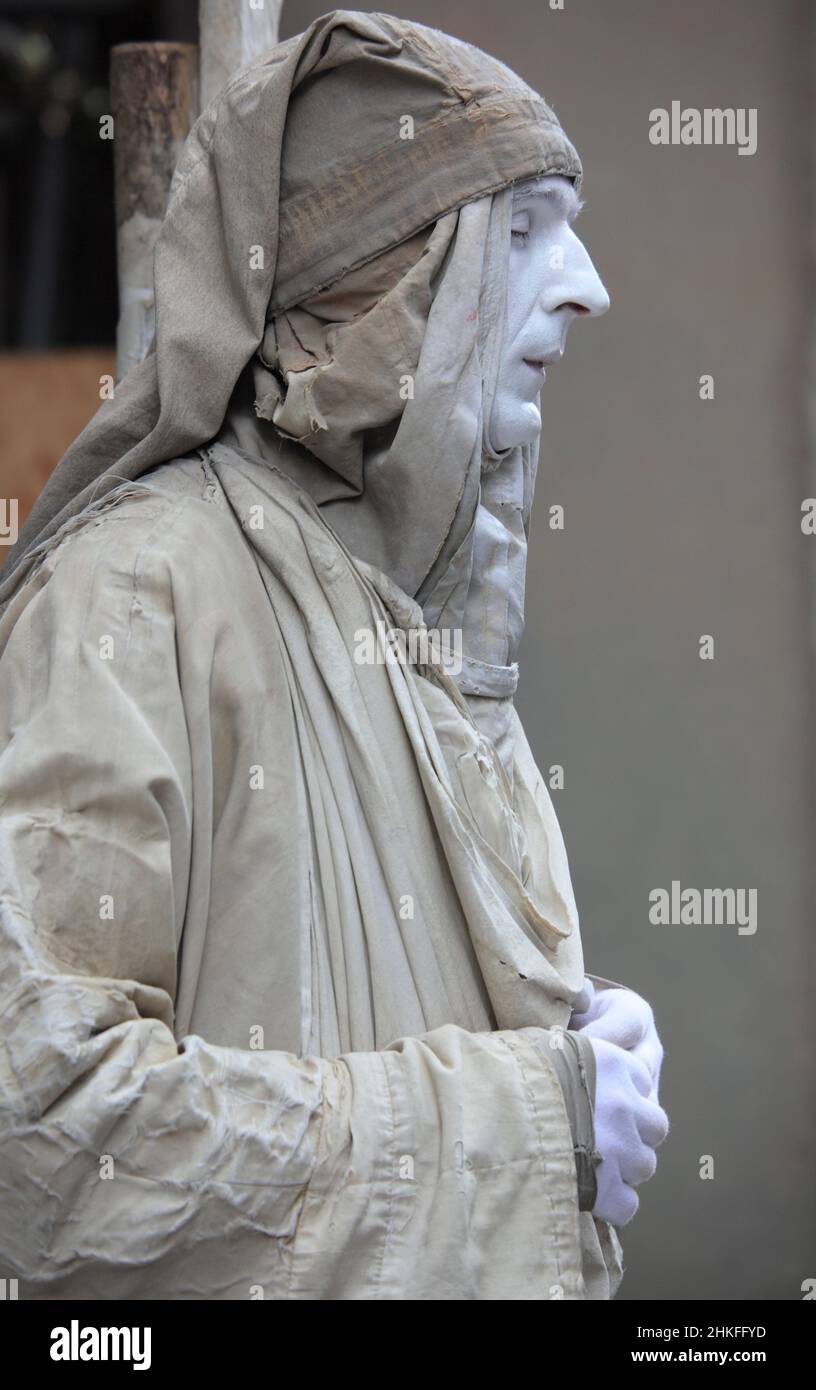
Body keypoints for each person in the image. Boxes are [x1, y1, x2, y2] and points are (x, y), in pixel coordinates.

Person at [0, 9, 668, 1300]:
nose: (585, 283)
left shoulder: (424, 603)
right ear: (374, 287)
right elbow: (40, 1128)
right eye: (519, 231)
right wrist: (529, 1121)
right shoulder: (136, 592)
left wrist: (579, 1048)